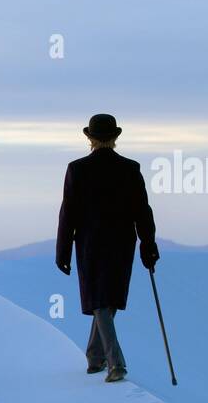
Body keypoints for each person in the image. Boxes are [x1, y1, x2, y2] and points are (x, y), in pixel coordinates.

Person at [55, 114, 159, 383]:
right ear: (115, 138)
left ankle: (116, 363)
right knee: (107, 298)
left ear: (89, 138)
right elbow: (142, 211)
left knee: (101, 299)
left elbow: (68, 213)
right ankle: (94, 356)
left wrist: (63, 250)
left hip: (90, 243)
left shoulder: (77, 169)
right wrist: (148, 244)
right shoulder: (130, 168)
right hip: (122, 242)